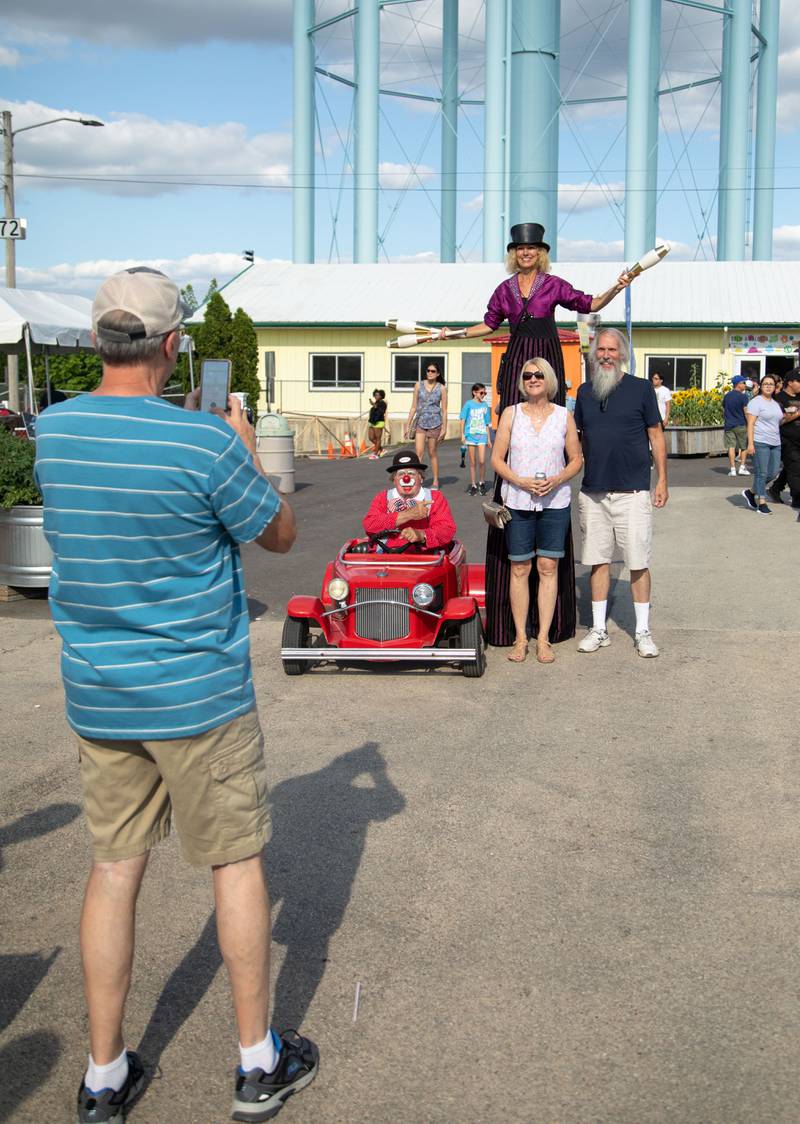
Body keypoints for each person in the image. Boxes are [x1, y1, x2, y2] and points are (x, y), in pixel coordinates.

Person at [33, 267, 318, 1123]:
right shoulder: (202, 443)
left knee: (114, 868)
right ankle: (256, 1062)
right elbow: (280, 534)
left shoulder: (53, 430)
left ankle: (103, 1074)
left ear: (97, 339)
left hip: (101, 693)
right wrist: (242, 445)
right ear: (171, 344)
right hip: (198, 695)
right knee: (235, 864)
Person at [439, 221, 633, 647]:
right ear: (514, 254)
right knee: (514, 421)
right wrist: (450, 333)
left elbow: (589, 303)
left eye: (532, 249)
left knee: (550, 420)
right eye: (519, 249)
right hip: (517, 361)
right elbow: (487, 325)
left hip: (544, 357)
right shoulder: (504, 290)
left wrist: (617, 287)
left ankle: (544, 624)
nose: (525, 253)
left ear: (540, 253)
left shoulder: (554, 285)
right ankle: (511, 490)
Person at [573, 327, 668, 658]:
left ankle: (642, 631)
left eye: (612, 350)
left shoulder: (641, 388)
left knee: (638, 562)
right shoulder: (585, 392)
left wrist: (662, 480)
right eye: (601, 350)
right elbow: (578, 440)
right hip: (594, 493)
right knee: (598, 561)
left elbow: (656, 434)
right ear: (593, 354)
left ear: (622, 354)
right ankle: (599, 629)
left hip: (634, 491)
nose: (606, 355)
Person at [491, 358, 583, 665]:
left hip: (554, 503)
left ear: (549, 379)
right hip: (517, 501)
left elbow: (576, 459)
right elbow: (497, 459)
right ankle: (521, 638)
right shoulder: (511, 414)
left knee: (547, 567)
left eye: (539, 374)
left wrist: (556, 479)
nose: (533, 379)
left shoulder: (564, 416)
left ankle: (543, 638)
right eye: (528, 375)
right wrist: (519, 481)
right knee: (519, 568)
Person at [363, 449, 456, 548]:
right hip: (387, 554)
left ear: (421, 478)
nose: (406, 479)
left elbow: (446, 529)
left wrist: (422, 535)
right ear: (394, 480)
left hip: (424, 555)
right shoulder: (383, 498)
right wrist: (408, 514)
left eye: (411, 473)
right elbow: (369, 525)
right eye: (401, 474)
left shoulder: (434, 498)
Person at [743, 374, 783, 514]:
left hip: (775, 442)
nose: (768, 386)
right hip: (760, 442)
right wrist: (750, 444)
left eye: (771, 384)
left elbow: (777, 421)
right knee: (761, 473)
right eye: (765, 384)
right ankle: (761, 502)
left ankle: (751, 492)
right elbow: (750, 424)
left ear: (775, 387)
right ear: (760, 386)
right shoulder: (756, 402)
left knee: (773, 472)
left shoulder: (775, 404)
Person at [405, 362, 447, 488]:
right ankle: (418, 479)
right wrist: (407, 424)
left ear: (438, 374)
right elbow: (414, 406)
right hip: (420, 422)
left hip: (435, 423)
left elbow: (444, 410)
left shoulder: (441, 388)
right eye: (428, 370)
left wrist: (444, 428)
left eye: (433, 371)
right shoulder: (418, 385)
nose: (430, 373)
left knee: (432, 452)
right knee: (418, 452)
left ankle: (435, 480)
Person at [769, 367, 800, 509]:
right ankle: (797, 498)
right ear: (791, 382)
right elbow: (778, 421)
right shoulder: (779, 399)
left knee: (792, 467)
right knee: (796, 469)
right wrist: (797, 414)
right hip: (787, 440)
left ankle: (776, 488)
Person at [460, 382, 493, 496]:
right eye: (481, 393)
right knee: (473, 462)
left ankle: (482, 482)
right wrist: (462, 434)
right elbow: (463, 419)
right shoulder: (468, 404)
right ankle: (473, 484)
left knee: (482, 461)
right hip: (470, 435)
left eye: (485, 393)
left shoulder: (485, 405)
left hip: (482, 435)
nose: (483, 395)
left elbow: (487, 423)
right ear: (474, 392)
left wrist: (489, 439)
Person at [723, 374, 751, 477]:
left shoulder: (727, 396)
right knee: (743, 446)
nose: (745, 384)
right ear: (738, 384)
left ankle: (733, 469)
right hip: (741, 424)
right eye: (743, 383)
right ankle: (742, 467)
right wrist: (750, 424)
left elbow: (724, 409)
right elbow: (746, 412)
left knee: (731, 447)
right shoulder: (743, 397)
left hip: (729, 425)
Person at [367, 387, 387, 459]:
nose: (376, 396)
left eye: (378, 395)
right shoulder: (376, 403)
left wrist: (374, 405)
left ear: (381, 396)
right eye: (375, 395)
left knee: (378, 438)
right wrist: (374, 405)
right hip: (372, 422)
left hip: (379, 422)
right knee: (371, 438)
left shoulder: (383, 403)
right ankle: (381, 449)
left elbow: (381, 411)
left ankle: (376, 454)